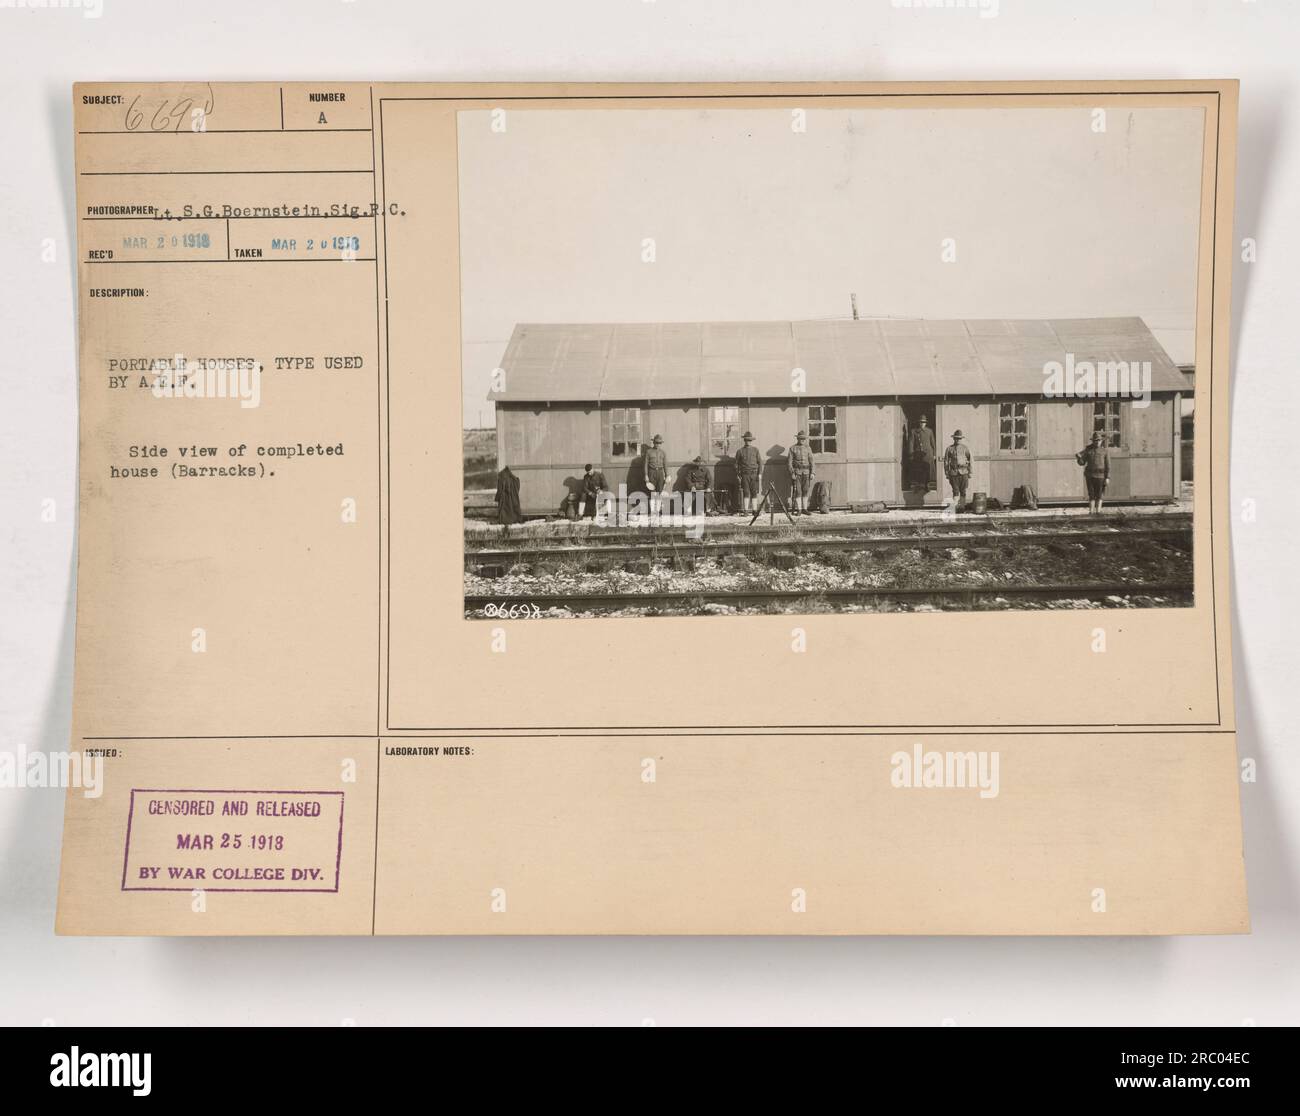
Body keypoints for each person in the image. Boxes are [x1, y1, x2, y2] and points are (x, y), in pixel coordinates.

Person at [1076, 430, 1111, 515]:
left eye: (1098, 440)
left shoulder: (1105, 451)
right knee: (1091, 494)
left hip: (1101, 476)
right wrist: (1078, 458)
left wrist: (1107, 477)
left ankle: (1098, 512)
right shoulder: (1088, 450)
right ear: (1093, 441)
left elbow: (1108, 466)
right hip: (1090, 475)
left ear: (1101, 441)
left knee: (1099, 495)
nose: (1097, 442)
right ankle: (1091, 512)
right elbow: (1082, 463)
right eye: (1095, 440)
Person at [943, 429, 971, 512]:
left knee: (963, 491)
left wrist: (970, 472)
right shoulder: (949, 449)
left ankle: (962, 508)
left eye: (959, 438)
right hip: (954, 473)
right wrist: (947, 473)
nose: (957, 440)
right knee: (955, 490)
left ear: (961, 439)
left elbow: (970, 460)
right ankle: (955, 508)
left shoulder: (965, 448)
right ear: (953, 439)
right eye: (956, 438)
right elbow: (946, 462)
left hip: (964, 472)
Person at [734, 430, 762, 515]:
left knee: (754, 492)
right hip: (744, 475)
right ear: (744, 441)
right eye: (746, 440)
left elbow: (760, 462)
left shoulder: (755, 450)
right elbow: (736, 464)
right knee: (746, 492)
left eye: (749, 440)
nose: (748, 442)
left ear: (751, 441)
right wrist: (738, 474)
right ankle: (745, 511)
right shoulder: (740, 451)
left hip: (754, 474)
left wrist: (759, 474)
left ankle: (754, 510)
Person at [788, 430, 815, 515]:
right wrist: (792, 473)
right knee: (798, 491)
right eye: (800, 438)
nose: (802, 440)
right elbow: (789, 463)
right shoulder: (792, 448)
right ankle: (799, 509)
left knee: (806, 490)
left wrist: (812, 473)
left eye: (803, 438)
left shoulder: (808, 448)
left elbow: (812, 461)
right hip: (797, 473)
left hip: (806, 472)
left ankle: (804, 509)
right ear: (798, 439)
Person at [908, 414, 937, 491]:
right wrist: (911, 454)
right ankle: (920, 486)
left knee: (928, 470)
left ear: (926, 423)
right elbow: (911, 443)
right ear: (919, 423)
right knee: (919, 470)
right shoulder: (914, 431)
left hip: (928, 454)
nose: (922, 424)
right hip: (918, 454)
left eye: (923, 422)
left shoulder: (929, 431)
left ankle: (927, 485)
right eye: (921, 422)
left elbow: (933, 443)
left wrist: (934, 454)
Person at [643, 434, 668, 518]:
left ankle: (657, 511)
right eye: (656, 443)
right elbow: (646, 465)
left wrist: (667, 475)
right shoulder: (649, 452)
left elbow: (665, 465)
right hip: (652, 473)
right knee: (652, 493)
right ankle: (652, 511)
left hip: (660, 473)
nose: (658, 444)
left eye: (660, 443)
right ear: (653, 443)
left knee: (659, 493)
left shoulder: (663, 453)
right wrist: (646, 475)